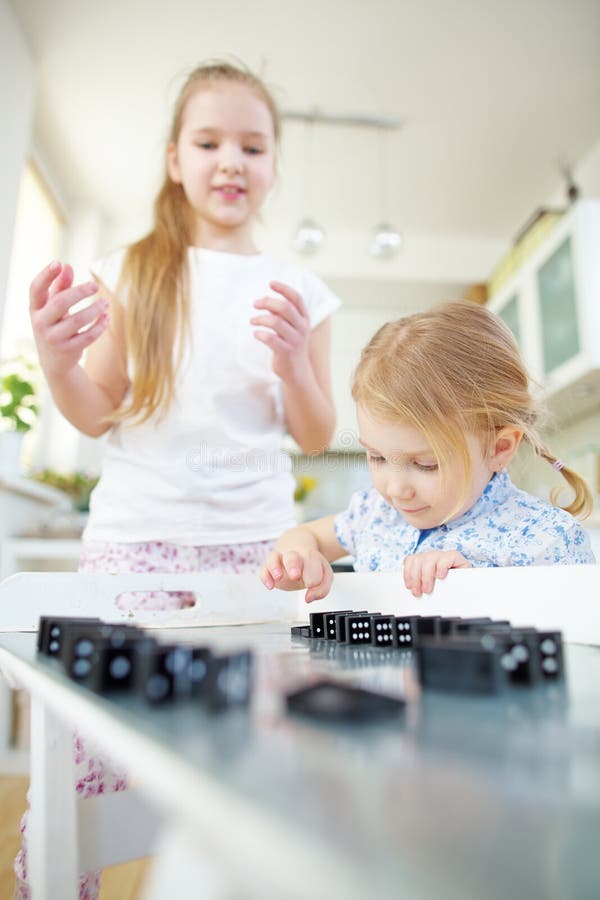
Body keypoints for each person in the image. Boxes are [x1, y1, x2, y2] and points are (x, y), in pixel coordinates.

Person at [17, 61, 340, 898]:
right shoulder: (131, 268)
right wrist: (56, 360)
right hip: (137, 545)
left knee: (255, 761)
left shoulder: (300, 289)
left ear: (274, 165)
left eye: (252, 145)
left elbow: (315, 431)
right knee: (90, 761)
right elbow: (95, 411)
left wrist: (296, 361)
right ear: (174, 159)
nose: (230, 161)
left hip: (258, 554)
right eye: (209, 142)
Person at [260, 301, 595, 604]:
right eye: (377, 457)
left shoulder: (547, 539)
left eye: (425, 464)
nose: (395, 489)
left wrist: (475, 588)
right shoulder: (374, 514)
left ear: (499, 448)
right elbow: (304, 536)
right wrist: (298, 558)